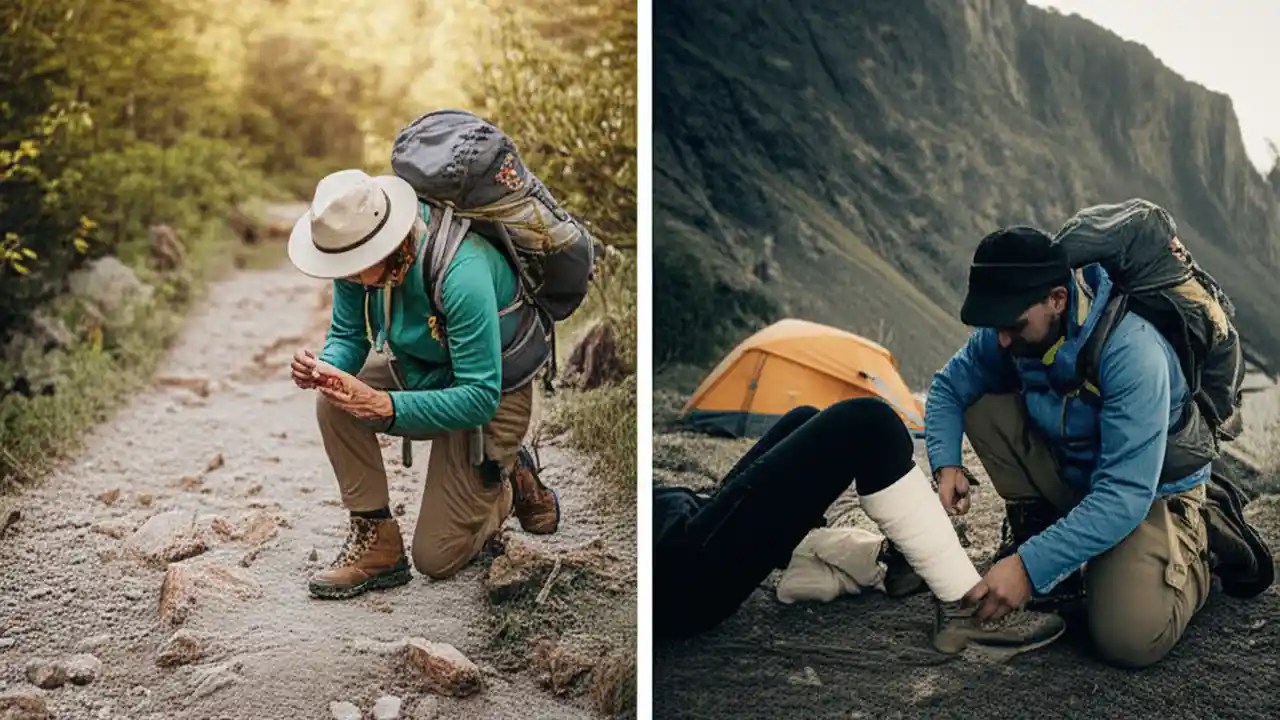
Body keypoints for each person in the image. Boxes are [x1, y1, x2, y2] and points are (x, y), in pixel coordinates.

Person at [926, 226, 1274, 668]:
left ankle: (1203, 536)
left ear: (1057, 299)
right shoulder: (1011, 327)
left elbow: (1124, 495)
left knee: (1128, 637)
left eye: (1013, 326)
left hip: (1150, 490)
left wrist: (1028, 569)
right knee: (980, 399)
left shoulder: (1133, 352)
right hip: (1083, 474)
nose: (1002, 341)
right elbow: (947, 388)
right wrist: (947, 463)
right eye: (994, 326)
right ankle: (1041, 526)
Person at [286, 168, 561, 600]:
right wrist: (324, 368)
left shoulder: (461, 272)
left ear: (391, 244)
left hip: (490, 395)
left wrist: (385, 406)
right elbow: (347, 337)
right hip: (419, 371)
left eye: (356, 269)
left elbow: (479, 396)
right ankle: (376, 543)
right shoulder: (355, 255)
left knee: (437, 558)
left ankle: (508, 478)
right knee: (333, 400)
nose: (348, 277)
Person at [654, 396, 1066, 655]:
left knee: (804, 417)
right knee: (870, 424)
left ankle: (902, 556)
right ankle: (963, 606)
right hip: (682, 575)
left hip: (683, 519)